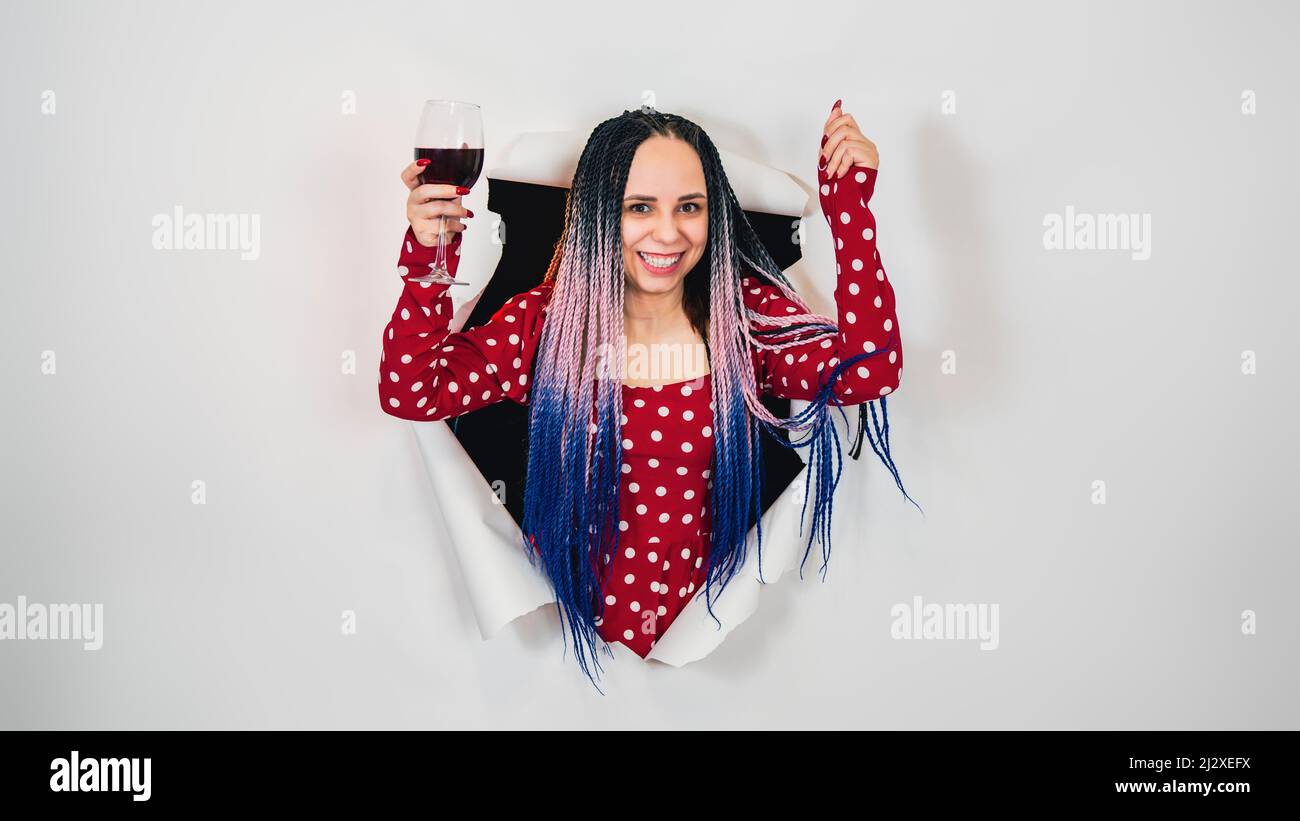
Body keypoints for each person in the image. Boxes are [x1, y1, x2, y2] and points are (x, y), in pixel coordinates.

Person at [380, 99, 915, 689]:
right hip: (556, 662)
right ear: (599, 214)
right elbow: (413, 391)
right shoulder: (549, 325)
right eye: (639, 207)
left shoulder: (743, 322)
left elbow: (869, 371)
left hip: (721, 656)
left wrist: (850, 214)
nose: (667, 231)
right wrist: (432, 251)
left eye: (689, 206)